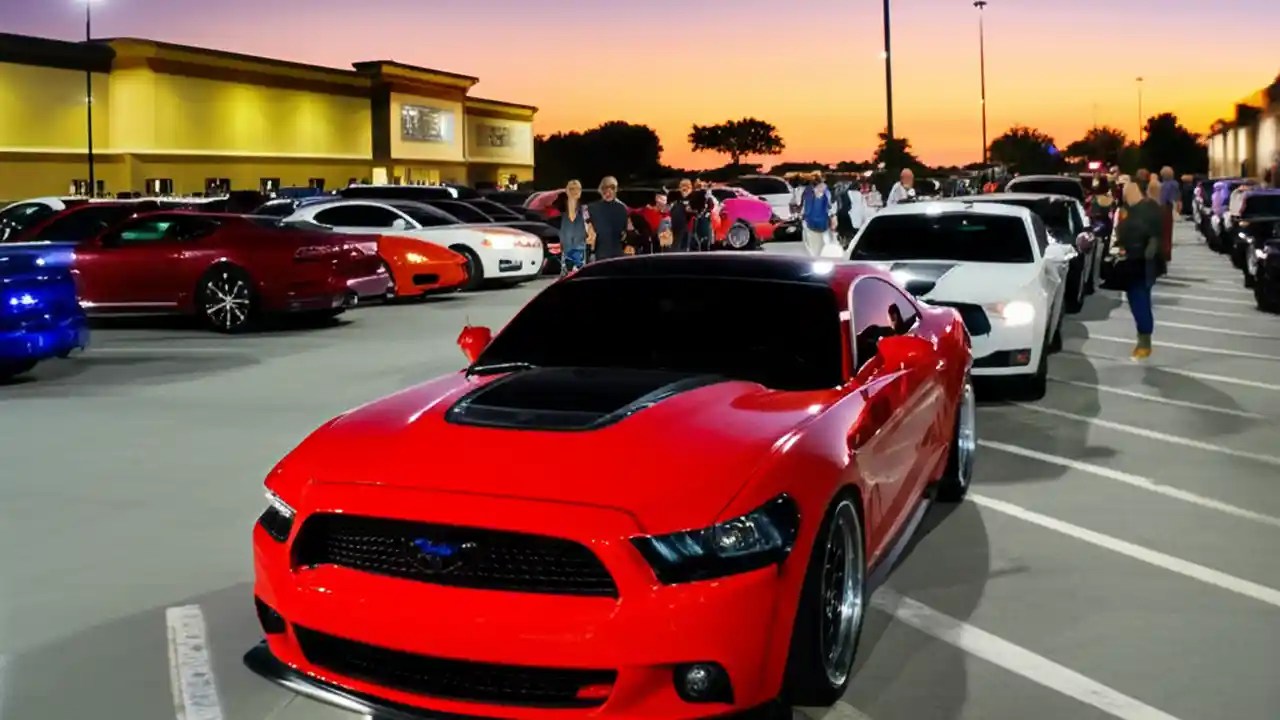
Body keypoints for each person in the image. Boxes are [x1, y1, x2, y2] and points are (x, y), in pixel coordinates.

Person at [1115, 179, 1165, 359]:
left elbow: (1152, 235)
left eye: (1127, 190)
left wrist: (1147, 256)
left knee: (1139, 300)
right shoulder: (1133, 209)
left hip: (1141, 262)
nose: (1125, 193)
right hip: (1136, 260)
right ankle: (1143, 338)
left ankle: (1144, 341)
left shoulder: (1145, 210)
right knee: (1137, 298)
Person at [586, 176, 630, 260]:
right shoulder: (591, 208)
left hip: (617, 255)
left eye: (612, 188)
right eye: (605, 188)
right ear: (601, 190)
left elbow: (625, 232)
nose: (608, 191)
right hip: (598, 255)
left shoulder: (622, 209)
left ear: (616, 190)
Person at [798, 172, 837, 256]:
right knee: (818, 246)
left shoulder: (809, 191)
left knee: (815, 247)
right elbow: (830, 207)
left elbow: (803, 207)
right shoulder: (821, 192)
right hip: (817, 224)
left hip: (815, 224)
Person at [556, 180, 589, 276]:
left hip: (579, 250)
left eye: (577, 189)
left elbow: (589, 226)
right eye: (572, 189)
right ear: (566, 191)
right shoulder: (559, 210)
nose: (575, 191)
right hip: (565, 250)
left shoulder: (584, 209)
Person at [1156, 167, 1180, 262]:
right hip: (1170, 207)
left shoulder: (1163, 185)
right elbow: (1177, 197)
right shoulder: (1175, 184)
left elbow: (1163, 198)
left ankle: (1164, 253)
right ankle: (1168, 253)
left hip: (1164, 208)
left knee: (1163, 232)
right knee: (1168, 232)